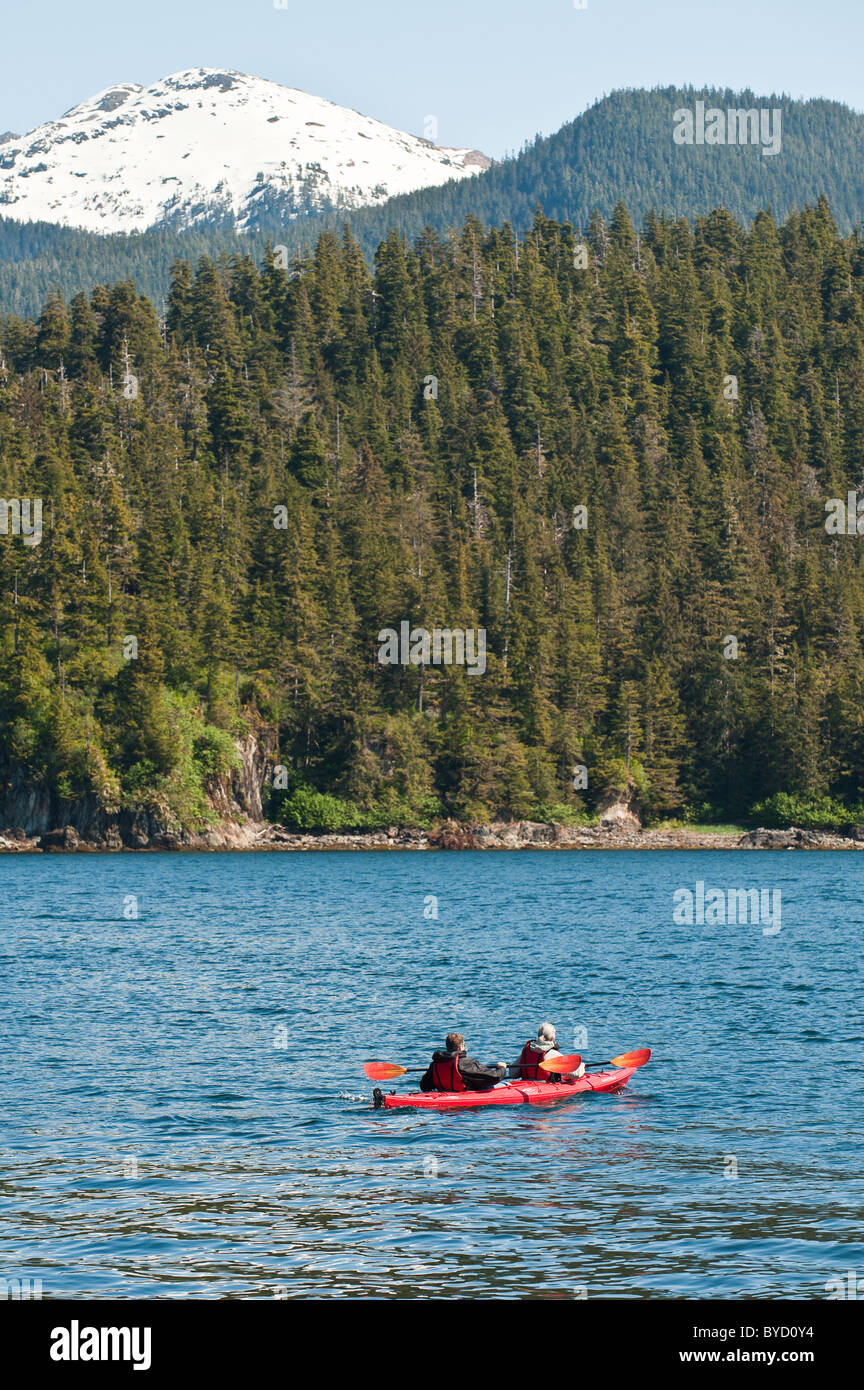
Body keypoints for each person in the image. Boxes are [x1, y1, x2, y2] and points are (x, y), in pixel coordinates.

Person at [419, 1032, 507, 1093]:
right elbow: (494, 1077)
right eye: (464, 1045)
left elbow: (424, 1086)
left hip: (445, 1093)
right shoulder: (466, 1063)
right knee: (507, 1085)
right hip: (466, 1094)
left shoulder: (435, 1063)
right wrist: (502, 1068)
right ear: (461, 1047)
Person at [513, 1022, 586, 1083]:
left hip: (525, 1082)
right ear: (552, 1037)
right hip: (544, 1086)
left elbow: (512, 1073)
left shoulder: (527, 1051)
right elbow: (575, 1074)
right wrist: (582, 1066)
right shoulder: (553, 1054)